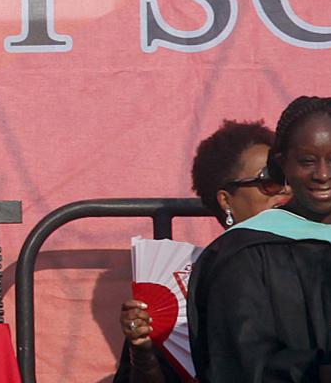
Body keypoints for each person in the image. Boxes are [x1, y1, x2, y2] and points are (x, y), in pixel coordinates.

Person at [189, 96, 331, 383]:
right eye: (307, 161)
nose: (323, 174)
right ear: (282, 164)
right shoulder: (244, 255)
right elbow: (236, 359)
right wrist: (324, 375)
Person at [114, 120, 289, 383]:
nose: (286, 189)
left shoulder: (318, 260)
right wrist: (143, 354)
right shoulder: (183, 287)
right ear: (226, 200)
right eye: (270, 180)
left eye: (287, 177)